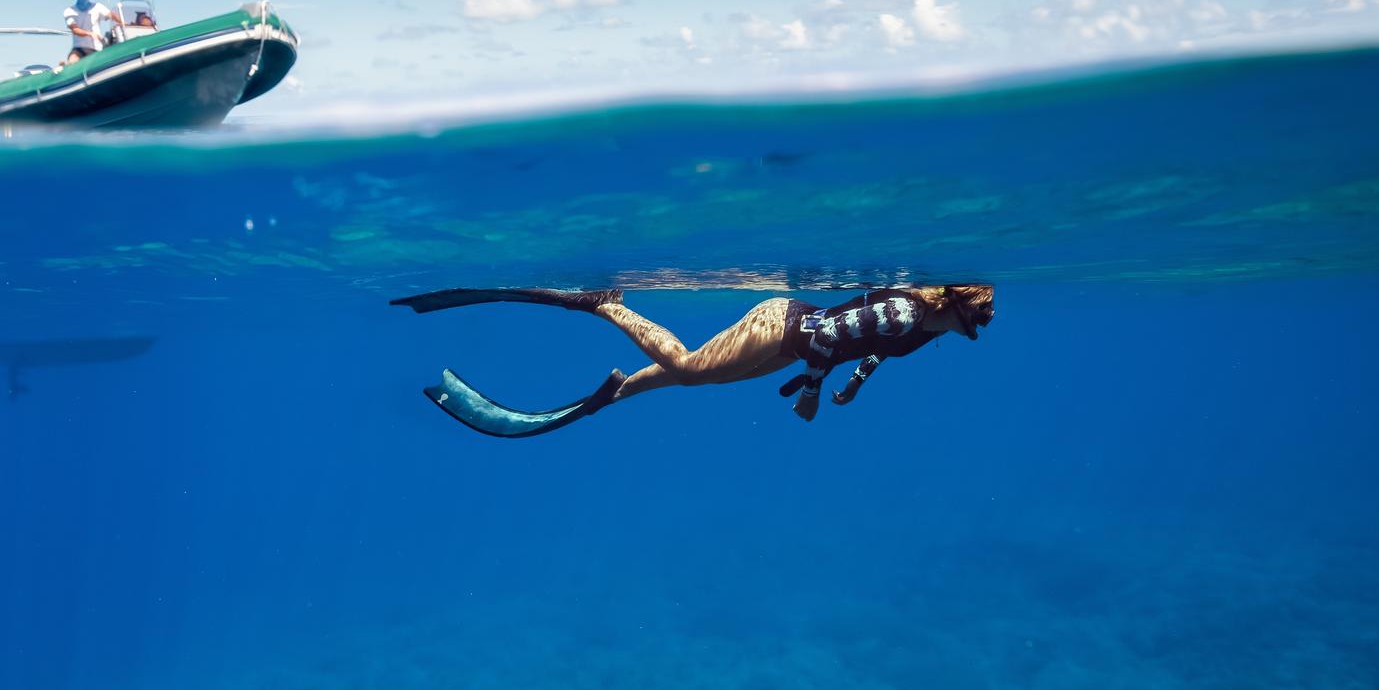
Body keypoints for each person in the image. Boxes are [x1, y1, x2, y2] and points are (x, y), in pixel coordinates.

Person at [390, 283, 995, 437]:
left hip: (790, 338)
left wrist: (854, 386)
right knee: (689, 367)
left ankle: (617, 392)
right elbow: (832, 335)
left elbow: (874, 351)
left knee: (690, 377)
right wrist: (813, 389)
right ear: (958, 313)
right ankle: (603, 306)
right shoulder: (908, 313)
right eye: (969, 328)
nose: (964, 337)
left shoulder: (918, 327)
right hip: (789, 329)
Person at [62, 0, 123, 66]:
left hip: (96, 48)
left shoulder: (97, 6)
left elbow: (111, 15)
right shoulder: (69, 11)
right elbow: (75, 29)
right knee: (73, 59)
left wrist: (123, 23)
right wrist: (90, 34)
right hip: (79, 48)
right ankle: (66, 66)